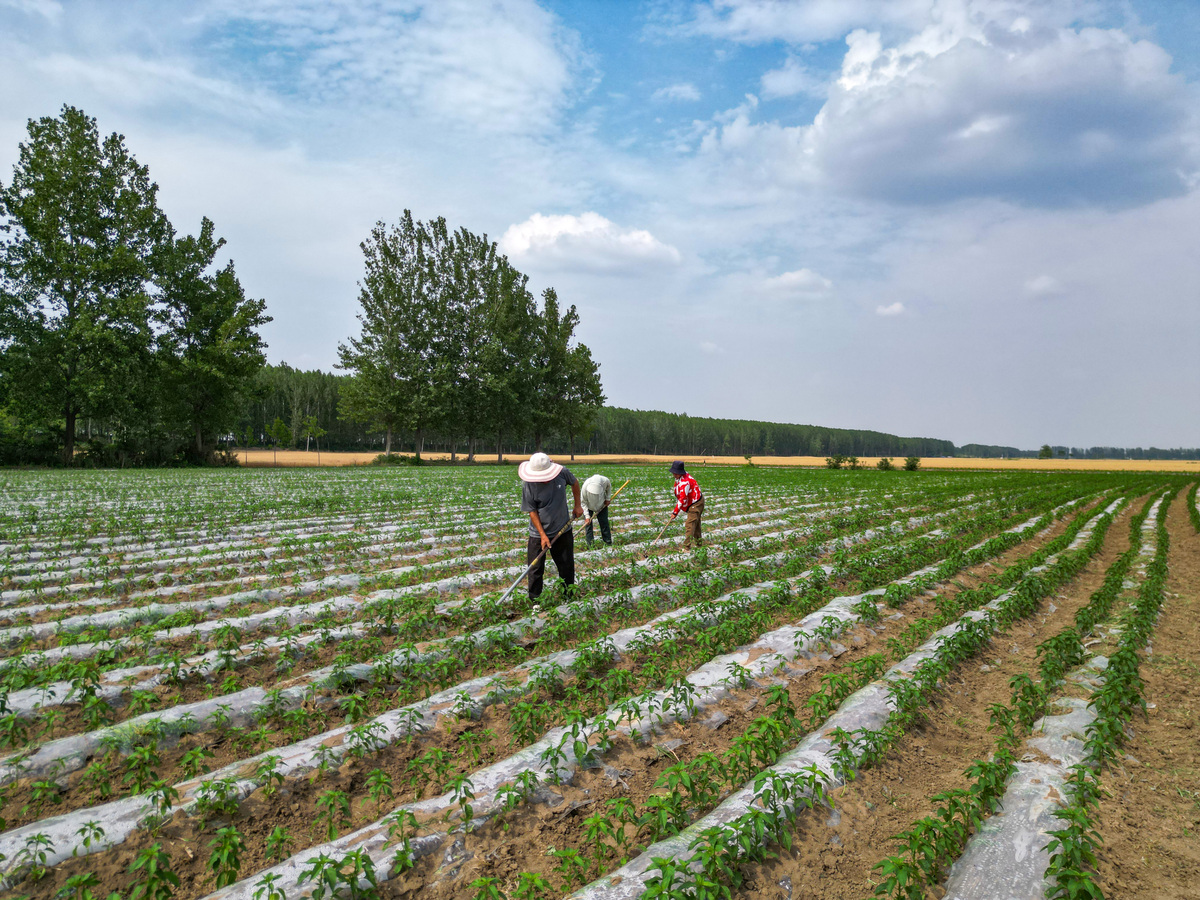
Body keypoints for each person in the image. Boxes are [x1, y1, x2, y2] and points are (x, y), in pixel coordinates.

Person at [519, 452, 582, 600]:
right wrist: (542, 535)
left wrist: (578, 505)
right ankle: (535, 601)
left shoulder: (562, 473)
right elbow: (532, 511)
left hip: (562, 528)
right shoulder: (528, 485)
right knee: (535, 568)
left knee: (566, 565)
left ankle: (568, 596)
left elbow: (575, 483)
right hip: (537, 533)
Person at [669, 460, 704, 548]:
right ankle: (699, 545)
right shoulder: (679, 478)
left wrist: (675, 512)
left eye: (675, 472)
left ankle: (686, 547)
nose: (673, 474)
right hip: (692, 501)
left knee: (690, 524)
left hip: (696, 503)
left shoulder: (685, 482)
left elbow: (682, 499)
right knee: (696, 525)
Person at [580, 473, 613, 547]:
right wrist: (587, 516)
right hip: (589, 506)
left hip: (601, 505)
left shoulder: (605, 481)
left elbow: (609, 488)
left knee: (604, 523)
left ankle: (608, 542)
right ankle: (590, 545)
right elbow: (583, 503)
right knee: (588, 526)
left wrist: (607, 498)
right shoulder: (585, 486)